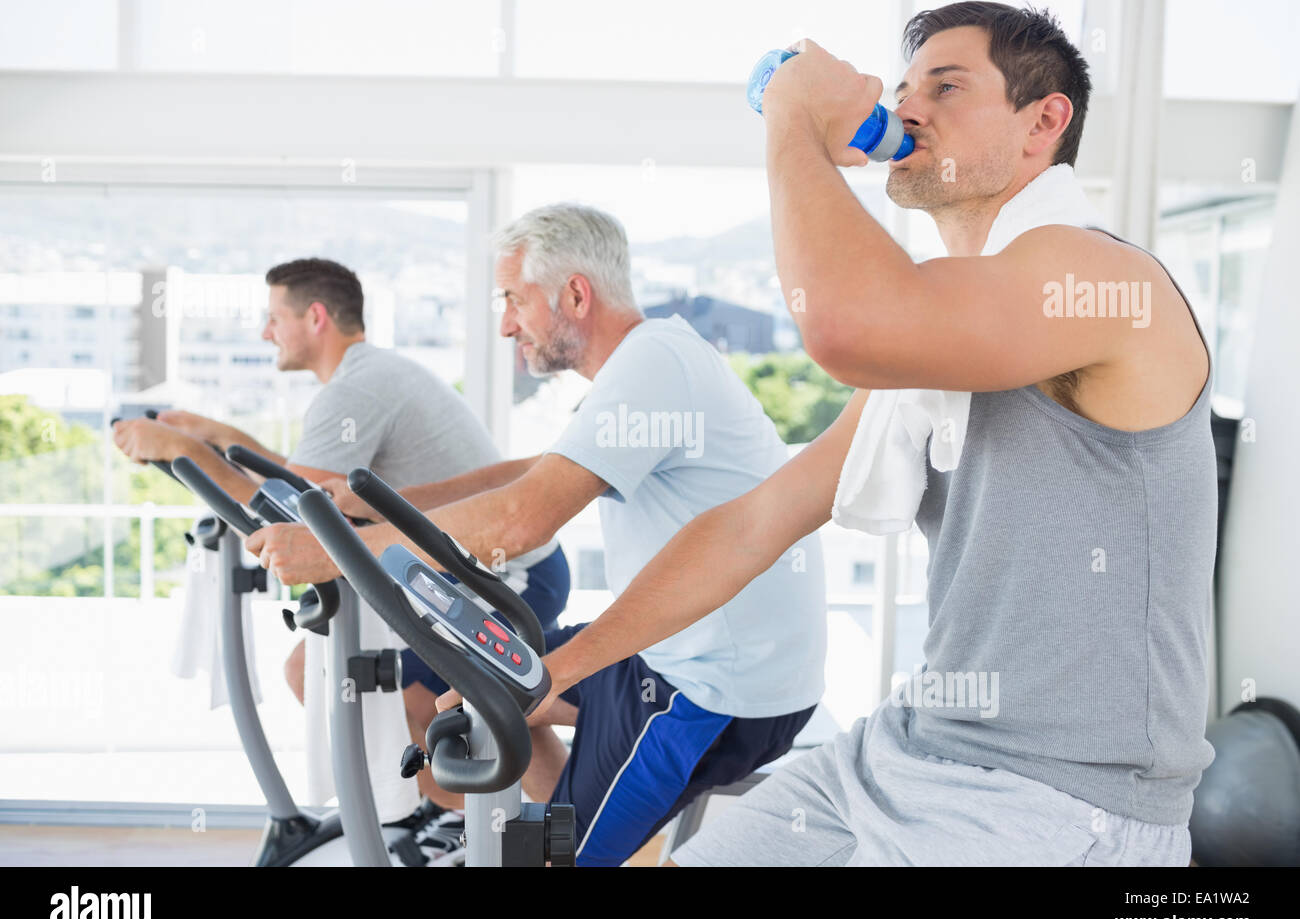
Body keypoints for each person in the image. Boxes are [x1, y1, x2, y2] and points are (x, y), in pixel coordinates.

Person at [562, 3, 1212, 867]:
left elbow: (845, 327)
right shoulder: (947, 330)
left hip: (1056, 800)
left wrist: (792, 114)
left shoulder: (1096, 276)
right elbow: (758, 520)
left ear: (1044, 121)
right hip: (904, 751)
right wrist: (553, 669)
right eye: (904, 90)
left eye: (946, 87)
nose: (909, 110)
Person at [247, 203, 830, 866]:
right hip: (665, 654)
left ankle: (564, 846)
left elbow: (525, 516)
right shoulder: (645, 361)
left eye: (514, 300)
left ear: (576, 294)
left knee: (558, 850)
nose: (505, 324)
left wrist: (338, 552)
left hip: (712, 690)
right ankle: (528, 828)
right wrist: (379, 507)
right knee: (471, 687)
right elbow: (537, 470)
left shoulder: (654, 365)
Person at [112, 257, 570, 836]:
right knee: (491, 711)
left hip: (508, 574)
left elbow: (289, 511)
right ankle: (542, 831)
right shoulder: (366, 374)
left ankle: (449, 826)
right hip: (491, 569)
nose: (265, 332)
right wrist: (218, 439)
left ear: (316, 316)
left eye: (275, 317)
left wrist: (180, 452)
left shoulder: (354, 389)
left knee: (367, 682)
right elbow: (308, 488)